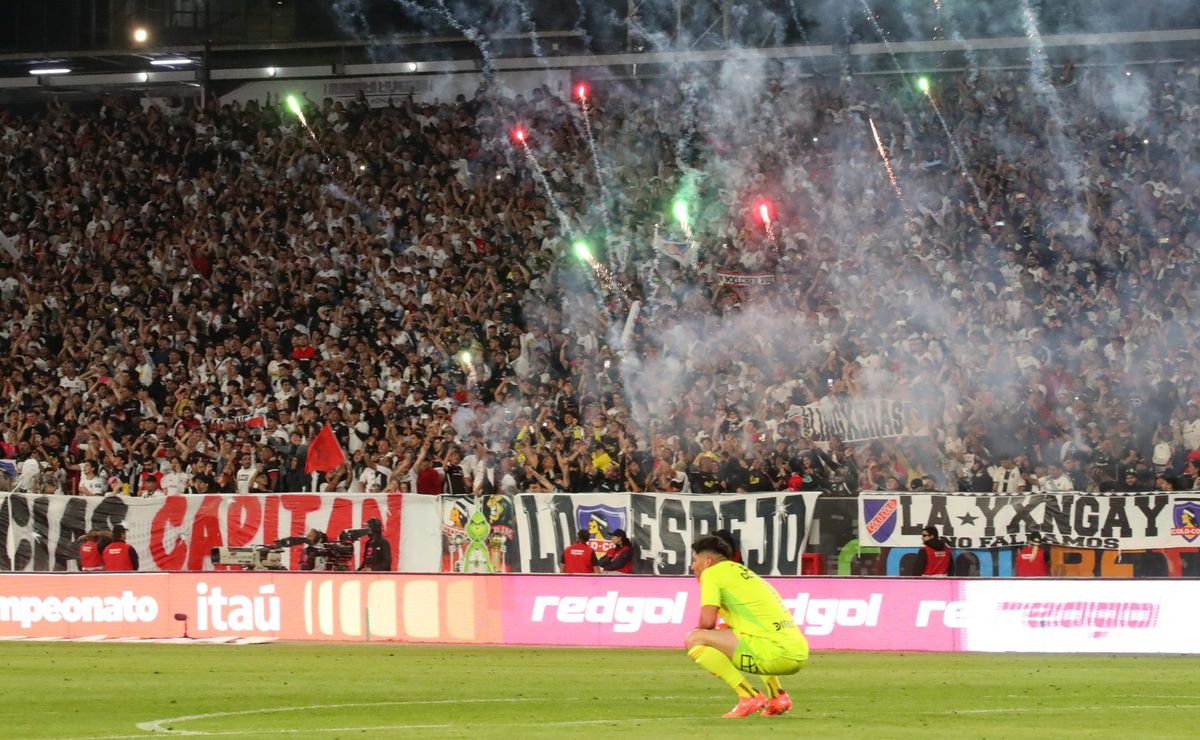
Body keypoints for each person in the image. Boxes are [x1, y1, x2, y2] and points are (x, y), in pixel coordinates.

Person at [684, 534, 807, 718]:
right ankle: (778, 696)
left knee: (694, 639)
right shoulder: (743, 573)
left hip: (774, 654)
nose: (692, 566)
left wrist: (709, 653)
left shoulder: (711, 574)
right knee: (730, 632)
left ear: (708, 561)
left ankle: (748, 696)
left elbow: (707, 623)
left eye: (694, 561)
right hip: (798, 652)